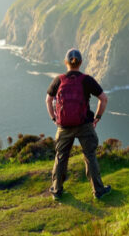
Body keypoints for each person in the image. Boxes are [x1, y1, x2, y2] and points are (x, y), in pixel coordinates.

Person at [45, 48, 112, 201]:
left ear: (65, 62)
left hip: (64, 127)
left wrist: (54, 119)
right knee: (89, 156)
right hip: (84, 125)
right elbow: (104, 99)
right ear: (81, 63)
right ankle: (98, 191)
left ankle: (57, 190)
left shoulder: (59, 80)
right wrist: (97, 117)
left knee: (61, 157)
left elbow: (48, 100)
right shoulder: (87, 79)